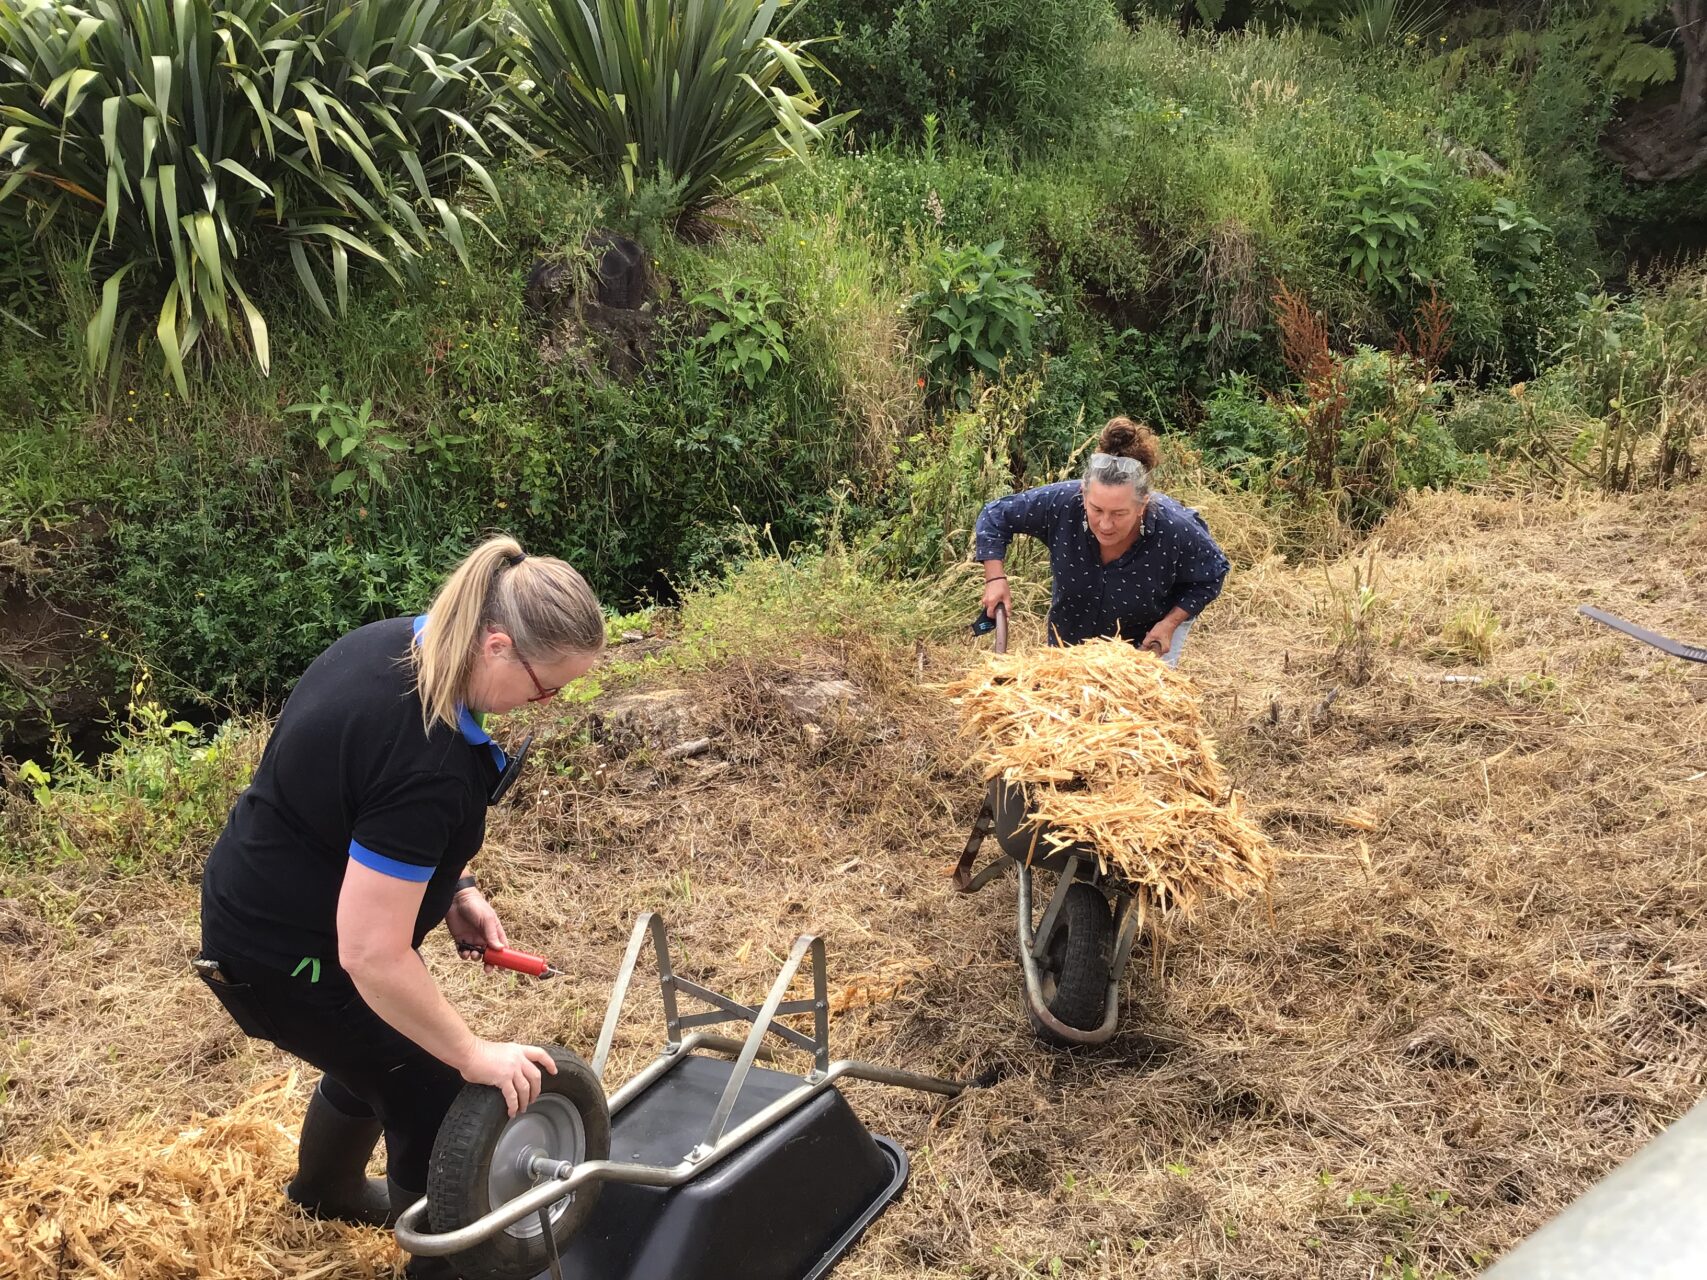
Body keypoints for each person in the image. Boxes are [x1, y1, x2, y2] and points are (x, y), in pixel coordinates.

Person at [195, 536, 604, 1277]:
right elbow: (370, 953)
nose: (548, 703)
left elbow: (359, 809)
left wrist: (456, 888)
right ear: (499, 644)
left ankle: (326, 1190)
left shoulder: (396, 643)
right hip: (288, 955)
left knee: (373, 1054)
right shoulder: (428, 760)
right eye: (547, 688)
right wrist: (473, 1055)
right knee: (435, 1087)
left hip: (249, 905)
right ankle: (447, 1263)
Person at [973, 417, 1230, 664]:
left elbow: (1213, 574)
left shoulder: (1174, 527)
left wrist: (1170, 624)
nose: (1105, 525)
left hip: (1143, 648)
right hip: (1069, 645)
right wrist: (995, 578)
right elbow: (996, 514)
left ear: (1142, 505)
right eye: (1096, 510)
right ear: (1083, 495)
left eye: (1119, 514)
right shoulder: (1061, 504)